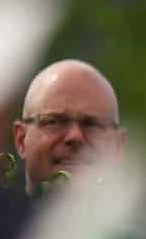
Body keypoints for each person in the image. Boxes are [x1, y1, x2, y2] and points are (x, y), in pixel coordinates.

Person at [11, 58, 126, 194]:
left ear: (118, 146)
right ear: (21, 139)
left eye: (92, 125)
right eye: (54, 122)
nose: (75, 136)